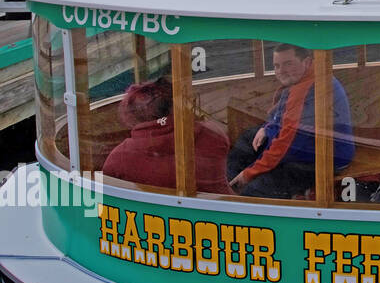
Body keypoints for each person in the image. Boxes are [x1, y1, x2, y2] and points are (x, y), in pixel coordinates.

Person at [226, 43, 355, 199]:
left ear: (306, 62)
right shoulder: (306, 77)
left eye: (288, 64)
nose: (281, 71)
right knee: (249, 138)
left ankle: (237, 191)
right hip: (306, 146)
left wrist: (249, 174)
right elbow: (281, 114)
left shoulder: (307, 89)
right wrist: (267, 127)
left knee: (256, 191)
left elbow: (286, 145)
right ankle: (229, 186)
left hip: (323, 159)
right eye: (276, 65)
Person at [103, 77, 232, 194]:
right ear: (176, 106)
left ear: (133, 116)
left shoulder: (119, 157)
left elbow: (104, 198)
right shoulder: (213, 135)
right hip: (221, 214)